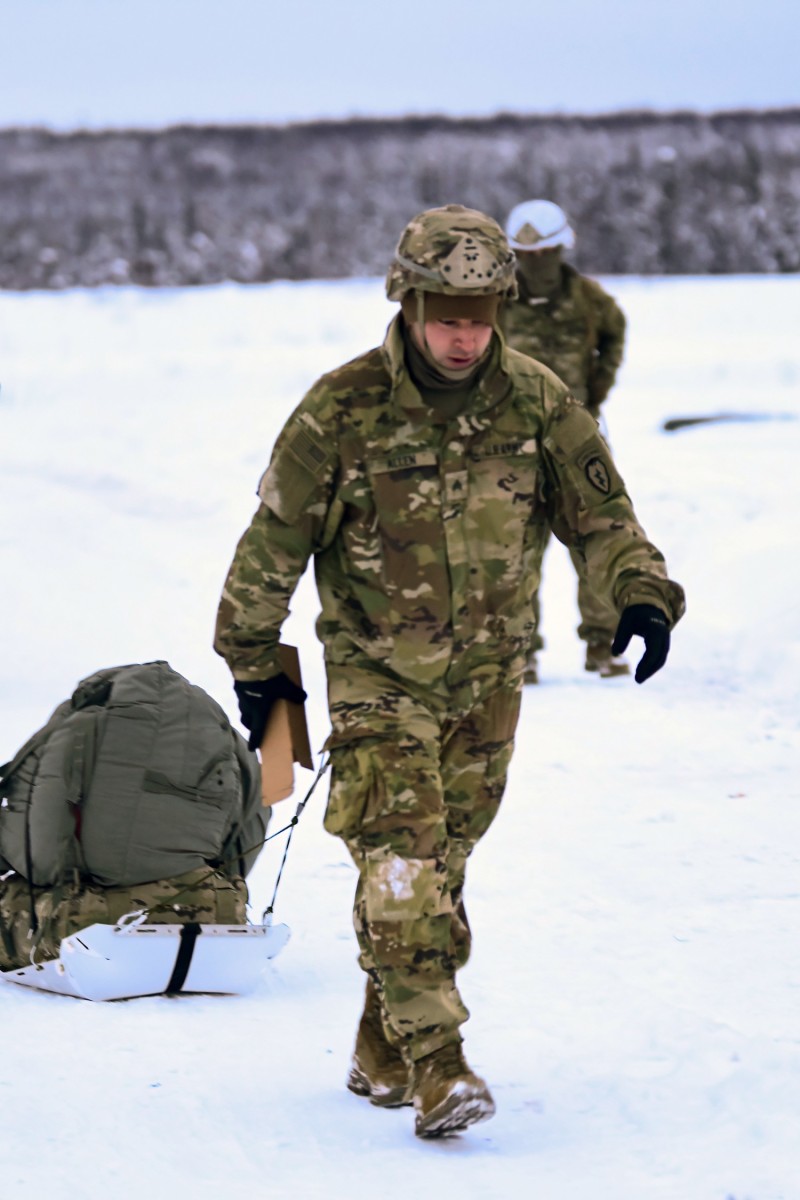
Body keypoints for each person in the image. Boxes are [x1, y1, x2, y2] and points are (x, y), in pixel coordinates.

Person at [214, 204, 685, 1138]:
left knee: (442, 865)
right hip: (377, 677)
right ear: (408, 302)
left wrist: (641, 593)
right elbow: (271, 545)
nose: (465, 337)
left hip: (490, 681)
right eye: (447, 318)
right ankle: (439, 1061)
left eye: (482, 316)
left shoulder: (538, 400)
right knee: (403, 857)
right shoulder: (341, 408)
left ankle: (380, 1044)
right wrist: (257, 666)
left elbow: (603, 518)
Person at [499, 199, 628, 683]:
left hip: (578, 438)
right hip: (512, 443)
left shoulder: (590, 300)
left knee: (596, 538)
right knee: (514, 546)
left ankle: (604, 645)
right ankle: (521, 651)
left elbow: (614, 336)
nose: (536, 264)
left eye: (545, 254)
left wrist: (595, 392)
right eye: (526, 256)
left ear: (561, 250)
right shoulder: (497, 302)